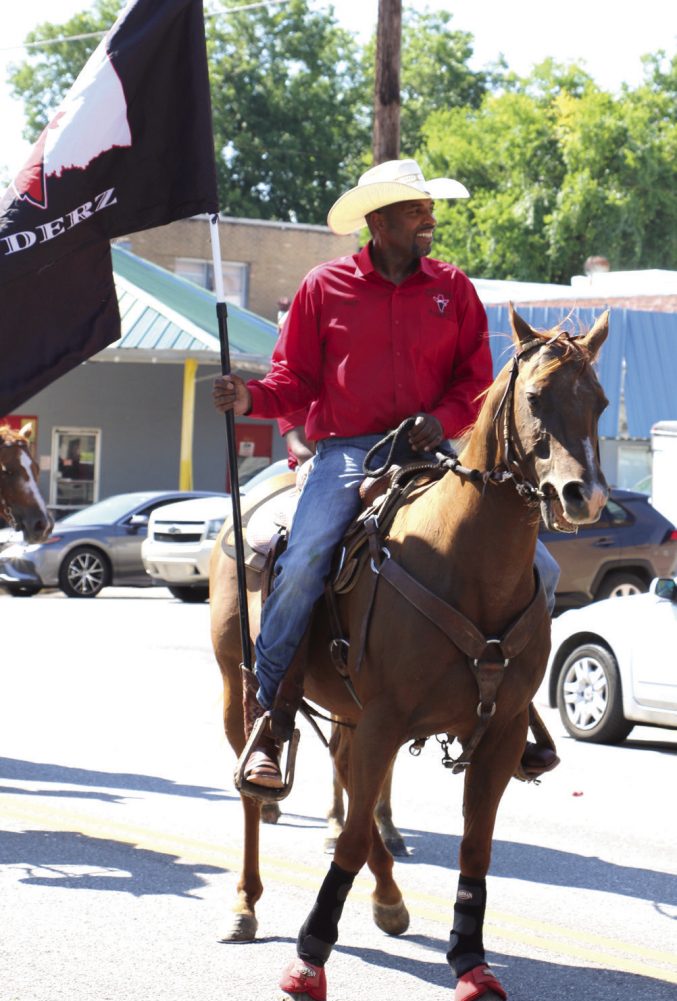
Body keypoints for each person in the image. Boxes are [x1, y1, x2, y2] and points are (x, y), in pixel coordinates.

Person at [213, 158, 560, 792]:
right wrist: (250, 399)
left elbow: (476, 384)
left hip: (434, 451)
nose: (429, 219)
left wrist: (442, 417)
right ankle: (273, 717)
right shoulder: (325, 287)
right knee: (308, 558)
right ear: (378, 222)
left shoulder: (453, 288)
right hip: (348, 450)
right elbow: (295, 379)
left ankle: (512, 711)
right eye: (414, 210)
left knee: (542, 568)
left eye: (428, 209)